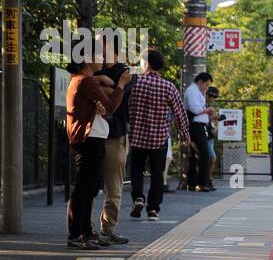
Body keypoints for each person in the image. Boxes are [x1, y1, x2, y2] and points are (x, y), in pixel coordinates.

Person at [66, 57, 130, 249]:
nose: (102, 59)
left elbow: (104, 108)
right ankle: (76, 234)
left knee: (90, 188)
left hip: (91, 138)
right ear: (86, 60)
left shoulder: (83, 81)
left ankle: (85, 231)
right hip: (89, 140)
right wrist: (120, 85)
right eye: (97, 56)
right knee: (84, 189)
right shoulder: (85, 81)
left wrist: (101, 103)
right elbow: (111, 107)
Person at [128, 49, 192, 220]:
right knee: (157, 172)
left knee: (136, 169)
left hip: (137, 136)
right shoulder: (168, 86)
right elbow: (179, 113)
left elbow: (124, 107)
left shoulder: (134, 83)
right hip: (159, 137)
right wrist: (185, 135)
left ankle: (138, 197)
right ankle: (153, 209)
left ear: (146, 64)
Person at [96, 41, 133, 245]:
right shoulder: (95, 72)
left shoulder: (126, 73)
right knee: (89, 187)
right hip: (92, 136)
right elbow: (98, 90)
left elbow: (109, 95)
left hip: (115, 135)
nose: (99, 55)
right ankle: (87, 230)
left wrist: (103, 85)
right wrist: (108, 85)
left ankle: (107, 228)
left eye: (103, 50)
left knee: (114, 187)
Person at [183, 72, 217, 192]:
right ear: (201, 82)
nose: (207, 87)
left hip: (199, 125)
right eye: (206, 84)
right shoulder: (192, 91)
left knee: (194, 155)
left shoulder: (197, 91)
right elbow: (195, 109)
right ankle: (202, 183)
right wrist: (209, 110)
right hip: (195, 126)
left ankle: (192, 182)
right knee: (204, 153)